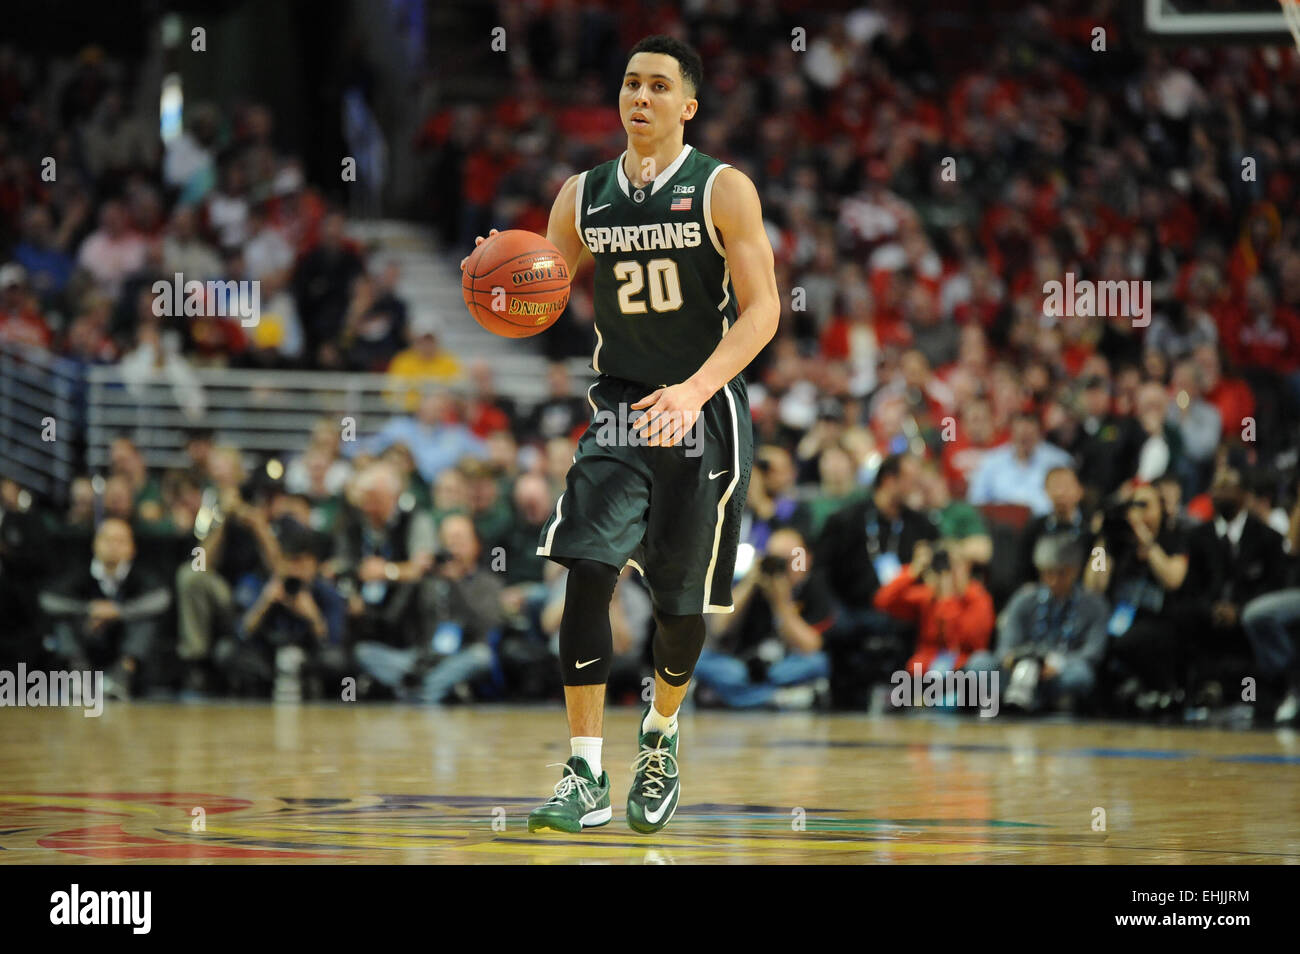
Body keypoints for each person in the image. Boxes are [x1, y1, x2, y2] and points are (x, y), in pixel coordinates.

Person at [463, 35, 779, 834]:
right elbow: (542, 289)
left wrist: (697, 388)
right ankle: (583, 773)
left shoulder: (723, 189)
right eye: (631, 83)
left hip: (704, 412)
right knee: (588, 570)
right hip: (619, 411)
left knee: (680, 608)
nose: (639, 96)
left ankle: (661, 738)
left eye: (657, 85)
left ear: (687, 105)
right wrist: (497, 277)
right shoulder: (583, 194)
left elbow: (764, 310)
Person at [693, 528, 838, 709]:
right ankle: (780, 698)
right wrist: (750, 582)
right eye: (774, 559)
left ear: (806, 558)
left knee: (818, 663)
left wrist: (781, 602)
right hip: (745, 666)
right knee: (701, 660)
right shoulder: (754, 585)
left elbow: (811, 646)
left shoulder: (814, 587)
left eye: (788, 560)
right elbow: (720, 627)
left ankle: (737, 697)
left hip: (785, 666)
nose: (781, 568)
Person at [967, 534, 1109, 713]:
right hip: (1019, 670)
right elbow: (1006, 647)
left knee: (1080, 675)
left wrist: (1058, 664)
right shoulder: (1025, 598)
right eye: (1048, 573)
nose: (1053, 581)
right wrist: (1017, 660)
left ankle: (1040, 701)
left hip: (1060, 672)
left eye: (1061, 573)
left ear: (1074, 571)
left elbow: (1093, 652)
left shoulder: (1094, 605)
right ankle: (1023, 699)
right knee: (978, 663)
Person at [38, 518, 171, 699]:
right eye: (107, 540)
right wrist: (88, 610)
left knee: (146, 620)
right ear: (95, 544)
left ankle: (120, 677)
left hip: (124, 645)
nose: (113, 546)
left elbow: (162, 599)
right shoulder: (79, 573)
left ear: (132, 548)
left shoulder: (142, 575)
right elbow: (48, 600)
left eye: (120, 541)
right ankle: (79, 678)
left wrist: (118, 612)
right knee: (63, 620)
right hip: (87, 641)